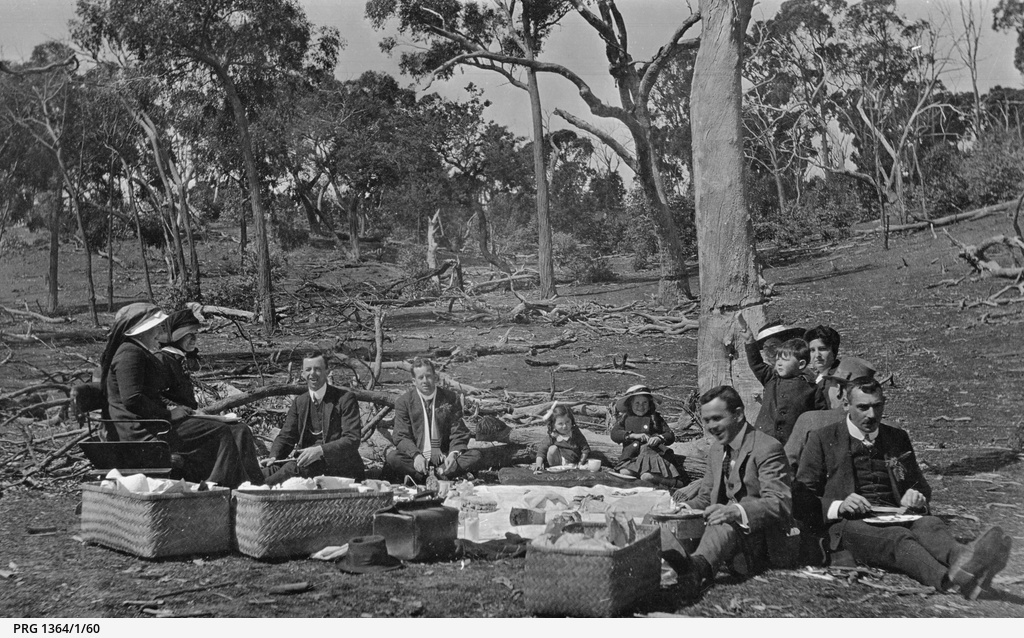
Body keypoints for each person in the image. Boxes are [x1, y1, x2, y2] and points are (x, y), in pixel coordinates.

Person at [794, 377, 1013, 599]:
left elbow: (919, 485)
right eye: (863, 407)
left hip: (897, 515)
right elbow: (802, 498)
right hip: (849, 524)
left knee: (931, 524)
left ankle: (966, 559)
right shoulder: (822, 439)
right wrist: (840, 506)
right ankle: (951, 581)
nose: (871, 415)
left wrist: (916, 496)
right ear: (846, 405)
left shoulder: (896, 437)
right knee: (898, 539)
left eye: (877, 406)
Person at [100, 303, 253, 488]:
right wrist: (169, 414)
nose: (158, 333)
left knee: (227, 428)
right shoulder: (130, 353)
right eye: (155, 328)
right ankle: (219, 488)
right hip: (141, 432)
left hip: (149, 424)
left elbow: (144, 394)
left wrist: (172, 410)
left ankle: (237, 483)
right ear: (142, 331)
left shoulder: (135, 351)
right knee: (219, 430)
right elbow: (132, 399)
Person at [672, 385, 793, 598]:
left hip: (759, 537)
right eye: (707, 420)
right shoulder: (717, 449)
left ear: (738, 414)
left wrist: (736, 511)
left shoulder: (767, 448)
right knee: (665, 520)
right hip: (722, 532)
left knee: (724, 522)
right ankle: (664, 568)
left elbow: (779, 503)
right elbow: (704, 498)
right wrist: (682, 508)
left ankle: (696, 571)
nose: (711, 427)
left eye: (717, 419)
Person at [156, 308, 264, 485]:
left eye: (195, 335)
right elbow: (155, 396)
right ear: (176, 337)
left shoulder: (178, 358)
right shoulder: (162, 359)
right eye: (189, 335)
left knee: (241, 429)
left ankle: (253, 484)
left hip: (189, 419)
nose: (194, 340)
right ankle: (219, 484)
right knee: (225, 431)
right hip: (174, 425)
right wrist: (177, 409)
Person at [261, 352, 365, 485]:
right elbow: (286, 436)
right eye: (308, 369)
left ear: (327, 371)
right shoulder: (300, 401)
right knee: (268, 471)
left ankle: (259, 492)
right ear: (302, 373)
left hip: (340, 468)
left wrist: (320, 451)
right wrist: (274, 456)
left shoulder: (344, 399)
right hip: (306, 465)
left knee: (291, 470)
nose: (312, 374)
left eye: (317, 369)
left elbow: (352, 439)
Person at [386, 358, 484, 483]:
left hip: (444, 459)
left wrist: (453, 454)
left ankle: (424, 477)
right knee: (393, 457)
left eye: (428, 376)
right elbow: (401, 435)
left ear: (435, 377)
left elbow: (458, 432)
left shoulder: (450, 398)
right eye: (420, 378)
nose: (425, 381)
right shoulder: (404, 402)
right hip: (417, 460)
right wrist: (415, 456)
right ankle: (437, 477)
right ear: (414, 381)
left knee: (476, 456)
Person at [785, 356, 875, 469]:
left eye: (830, 384)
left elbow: (787, 464)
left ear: (839, 389)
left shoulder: (809, 420)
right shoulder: (888, 428)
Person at [743, 321, 822, 445]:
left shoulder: (811, 386)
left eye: (784, 358)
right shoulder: (771, 378)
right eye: (777, 357)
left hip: (793, 443)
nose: (778, 362)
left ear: (801, 364)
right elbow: (756, 364)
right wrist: (749, 341)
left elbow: (819, 415)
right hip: (763, 441)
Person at [610, 385, 679, 485]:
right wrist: (632, 435)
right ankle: (641, 486)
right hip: (633, 457)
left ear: (650, 403)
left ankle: (673, 482)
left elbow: (670, 435)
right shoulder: (626, 418)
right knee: (624, 472)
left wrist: (659, 438)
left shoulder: (655, 417)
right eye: (637, 403)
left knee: (647, 476)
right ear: (630, 404)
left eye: (644, 403)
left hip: (652, 457)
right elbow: (614, 434)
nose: (641, 407)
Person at [532, 403, 591, 470]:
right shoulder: (553, 435)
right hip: (557, 464)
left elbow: (585, 449)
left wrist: (580, 463)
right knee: (552, 449)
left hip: (574, 463)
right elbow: (541, 451)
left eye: (567, 422)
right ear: (554, 425)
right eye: (560, 424)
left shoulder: (575, 433)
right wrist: (538, 465)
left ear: (572, 421)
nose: (565, 426)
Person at [804, 325, 842, 405]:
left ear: (833, 351)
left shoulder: (838, 376)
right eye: (812, 350)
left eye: (822, 349)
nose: (817, 355)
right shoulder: (815, 377)